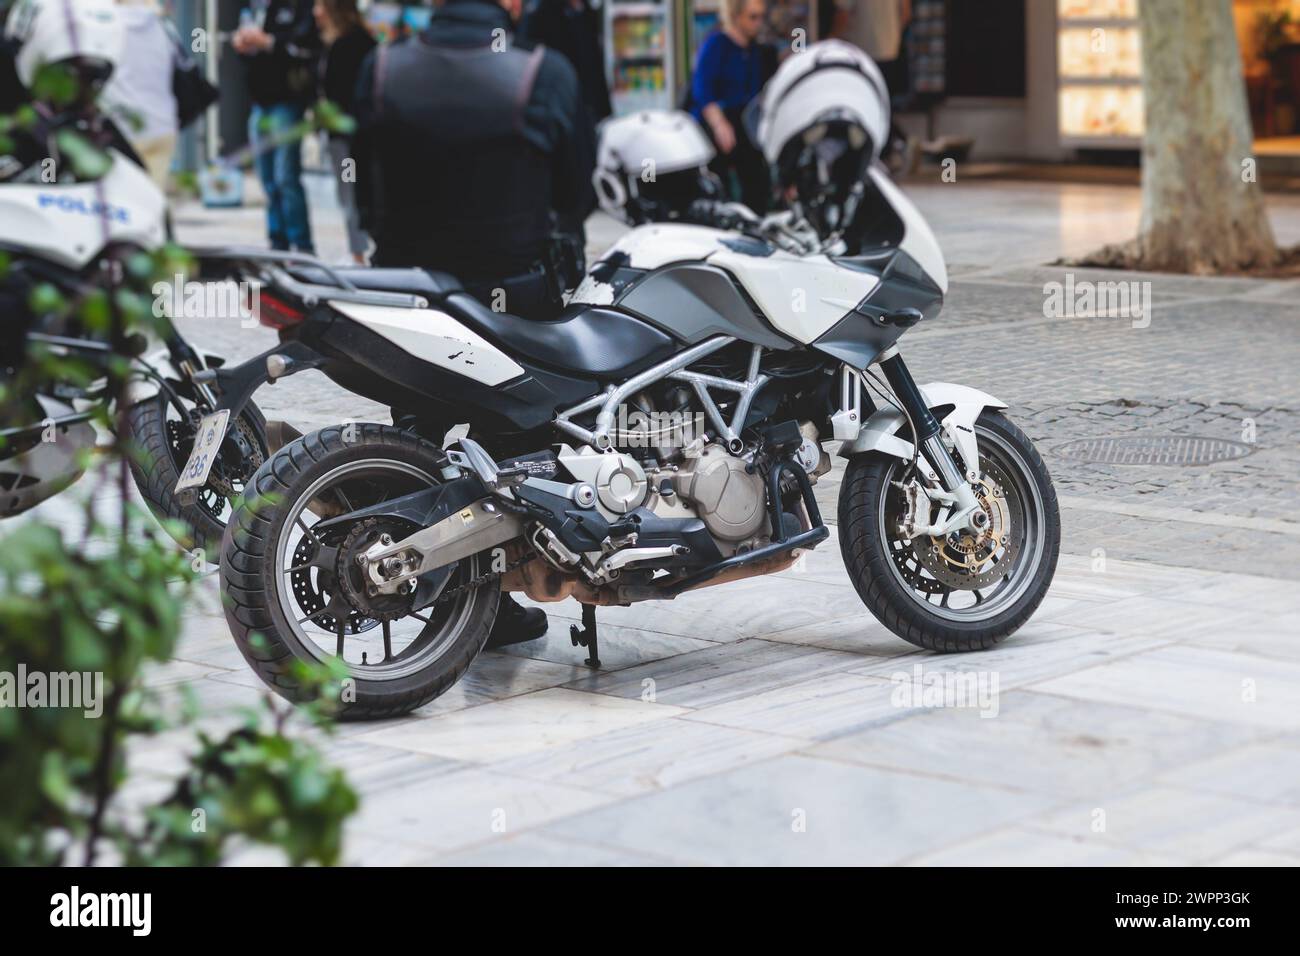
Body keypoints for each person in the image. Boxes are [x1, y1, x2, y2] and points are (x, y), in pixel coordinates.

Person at [352, 0, 595, 645]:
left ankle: (424, 579)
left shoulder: (379, 71)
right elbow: (576, 197)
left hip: (409, 299)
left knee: (416, 440)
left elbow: (366, 201)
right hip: (514, 303)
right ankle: (495, 595)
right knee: (514, 449)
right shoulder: (543, 75)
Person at [233, 0, 320, 253]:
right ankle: (278, 244)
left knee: (286, 177)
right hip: (260, 103)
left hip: (287, 101)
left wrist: (268, 42)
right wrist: (244, 46)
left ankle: (303, 247)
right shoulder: (256, 7)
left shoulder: (297, 7)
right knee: (268, 179)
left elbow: (306, 47)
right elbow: (251, 54)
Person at [690, 0, 772, 214]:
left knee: (758, 180)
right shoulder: (717, 43)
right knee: (719, 182)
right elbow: (702, 90)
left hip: (746, 121)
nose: (758, 23)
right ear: (736, 16)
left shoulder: (756, 50)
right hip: (717, 120)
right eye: (752, 17)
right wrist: (720, 125)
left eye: (761, 17)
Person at [313, 0, 374, 263]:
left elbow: (335, 92)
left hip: (346, 137)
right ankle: (362, 251)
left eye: (319, 6)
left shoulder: (343, 45)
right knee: (362, 193)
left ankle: (358, 255)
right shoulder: (365, 41)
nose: (315, 12)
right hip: (363, 133)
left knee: (349, 196)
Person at [102, 0, 176, 188]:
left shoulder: (105, 25)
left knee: (124, 205)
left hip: (122, 130)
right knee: (153, 202)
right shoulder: (161, 25)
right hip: (162, 126)